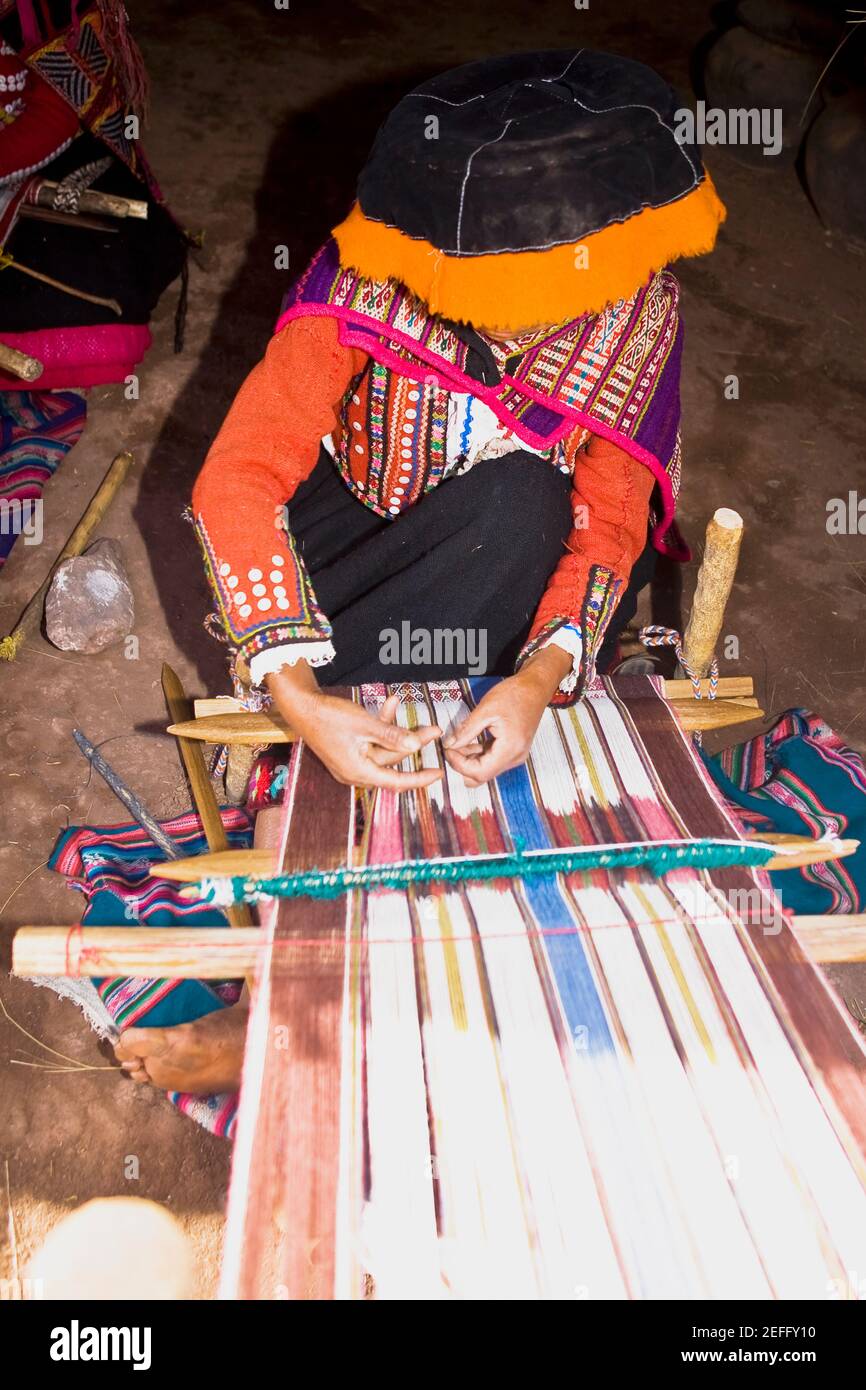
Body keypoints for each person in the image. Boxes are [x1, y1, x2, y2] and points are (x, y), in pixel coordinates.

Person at [116, 49, 726, 1097]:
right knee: (495, 517)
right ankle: (307, 969)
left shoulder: (638, 317)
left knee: (519, 500)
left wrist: (537, 681)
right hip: (337, 555)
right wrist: (297, 698)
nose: (524, 333)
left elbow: (611, 519)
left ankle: (381, 946)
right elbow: (239, 484)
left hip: (491, 579)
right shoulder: (366, 280)